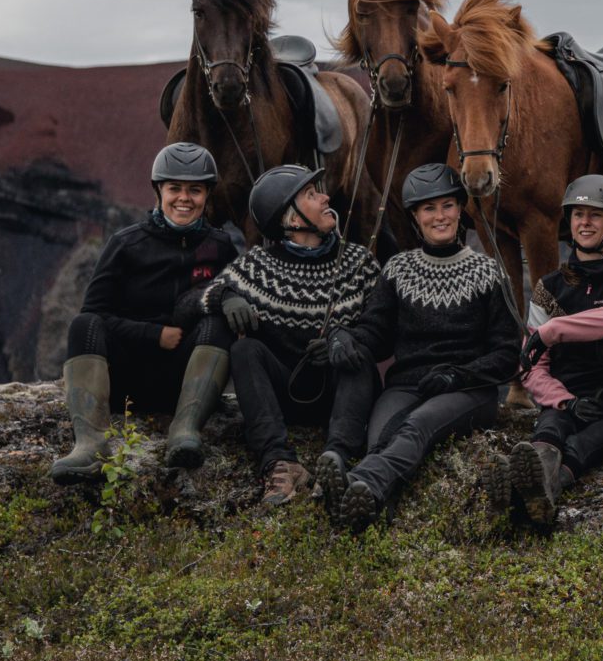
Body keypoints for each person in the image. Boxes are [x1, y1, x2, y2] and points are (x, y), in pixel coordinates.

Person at [318, 163, 518, 533]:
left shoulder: (488, 271)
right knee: (379, 440)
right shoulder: (397, 269)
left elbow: (508, 354)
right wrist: (343, 336)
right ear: (414, 216)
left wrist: (460, 374)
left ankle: (351, 485)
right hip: (407, 383)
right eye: (429, 208)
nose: (439, 216)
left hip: (468, 389)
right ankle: (368, 510)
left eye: (447, 206)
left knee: (416, 427)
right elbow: (376, 336)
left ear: (461, 210)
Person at [180, 164, 380, 505]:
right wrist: (224, 297)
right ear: (292, 219)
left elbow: (384, 328)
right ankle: (279, 463)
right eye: (312, 195)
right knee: (245, 352)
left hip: (341, 393)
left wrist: (347, 337)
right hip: (285, 393)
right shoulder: (258, 266)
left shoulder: (359, 262)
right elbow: (185, 305)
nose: (325, 197)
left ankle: (337, 460)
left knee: (358, 358)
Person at [49, 142, 238, 484]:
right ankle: (91, 444)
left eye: (195, 190)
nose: (184, 198)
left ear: (208, 194)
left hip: (184, 383)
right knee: (83, 324)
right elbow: (96, 313)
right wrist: (154, 335)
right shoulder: (126, 244)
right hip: (128, 381)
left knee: (218, 318)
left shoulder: (220, 245)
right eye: (174, 189)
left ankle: (185, 430)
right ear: (158, 191)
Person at [503, 175, 603, 526]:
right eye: (577, 214)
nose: (584, 223)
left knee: (581, 447)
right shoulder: (549, 288)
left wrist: (553, 330)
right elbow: (532, 367)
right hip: (568, 400)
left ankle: (520, 505)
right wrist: (565, 401)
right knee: (548, 433)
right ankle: (531, 503)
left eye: (595, 215)